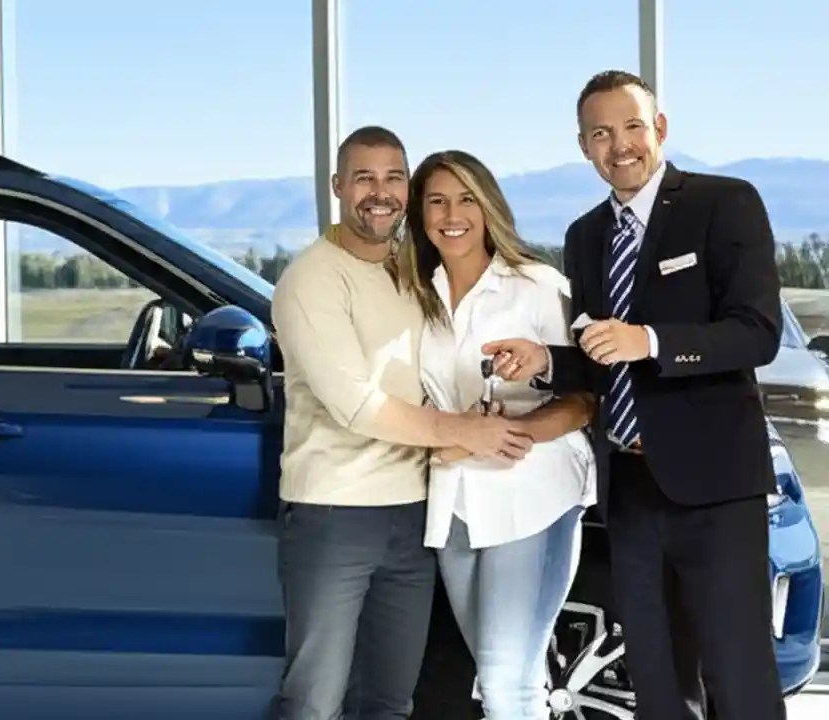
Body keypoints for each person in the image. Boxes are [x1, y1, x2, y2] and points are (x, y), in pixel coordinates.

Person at [482, 70, 785, 720]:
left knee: (740, 682)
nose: (619, 146)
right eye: (600, 134)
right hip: (630, 492)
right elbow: (601, 360)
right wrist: (544, 363)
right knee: (658, 685)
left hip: (716, 489)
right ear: (584, 146)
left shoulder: (723, 203)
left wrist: (649, 340)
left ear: (660, 130)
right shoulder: (583, 236)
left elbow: (755, 334)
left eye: (631, 128)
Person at [269, 125, 536, 720]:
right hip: (334, 514)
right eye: (364, 177)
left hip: (414, 514)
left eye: (394, 177)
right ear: (338, 186)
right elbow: (355, 405)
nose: (380, 191)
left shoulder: (410, 273)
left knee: (389, 701)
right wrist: (462, 431)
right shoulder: (311, 280)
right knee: (313, 699)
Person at [403, 149, 598, 719]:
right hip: (454, 500)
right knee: (501, 676)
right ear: (420, 214)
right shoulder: (415, 297)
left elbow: (585, 397)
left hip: (530, 495)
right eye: (436, 201)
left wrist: (516, 431)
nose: (451, 213)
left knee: (505, 678)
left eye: (466, 198)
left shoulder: (537, 285)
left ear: (489, 208)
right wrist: (462, 440)